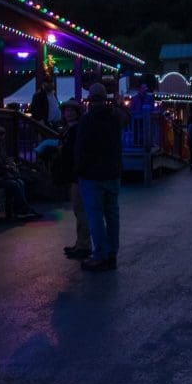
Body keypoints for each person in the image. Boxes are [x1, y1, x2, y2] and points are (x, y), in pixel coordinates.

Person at [74, 82, 124, 272]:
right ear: (105, 97)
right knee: (112, 215)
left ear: (90, 99)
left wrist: (79, 169)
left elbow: (82, 148)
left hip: (92, 176)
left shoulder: (87, 120)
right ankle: (112, 253)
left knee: (95, 216)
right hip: (112, 173)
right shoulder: (115, 117)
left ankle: (100, 254)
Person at [57, 98, 92, 260]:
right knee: (78, 210)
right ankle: (80, 242)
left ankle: (84, 245)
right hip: (74, 174)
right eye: (66, 110)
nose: (68, 113)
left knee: (81, 210)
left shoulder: (76, 130)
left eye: (72, 110)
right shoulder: (69, 130)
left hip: (79, 175)